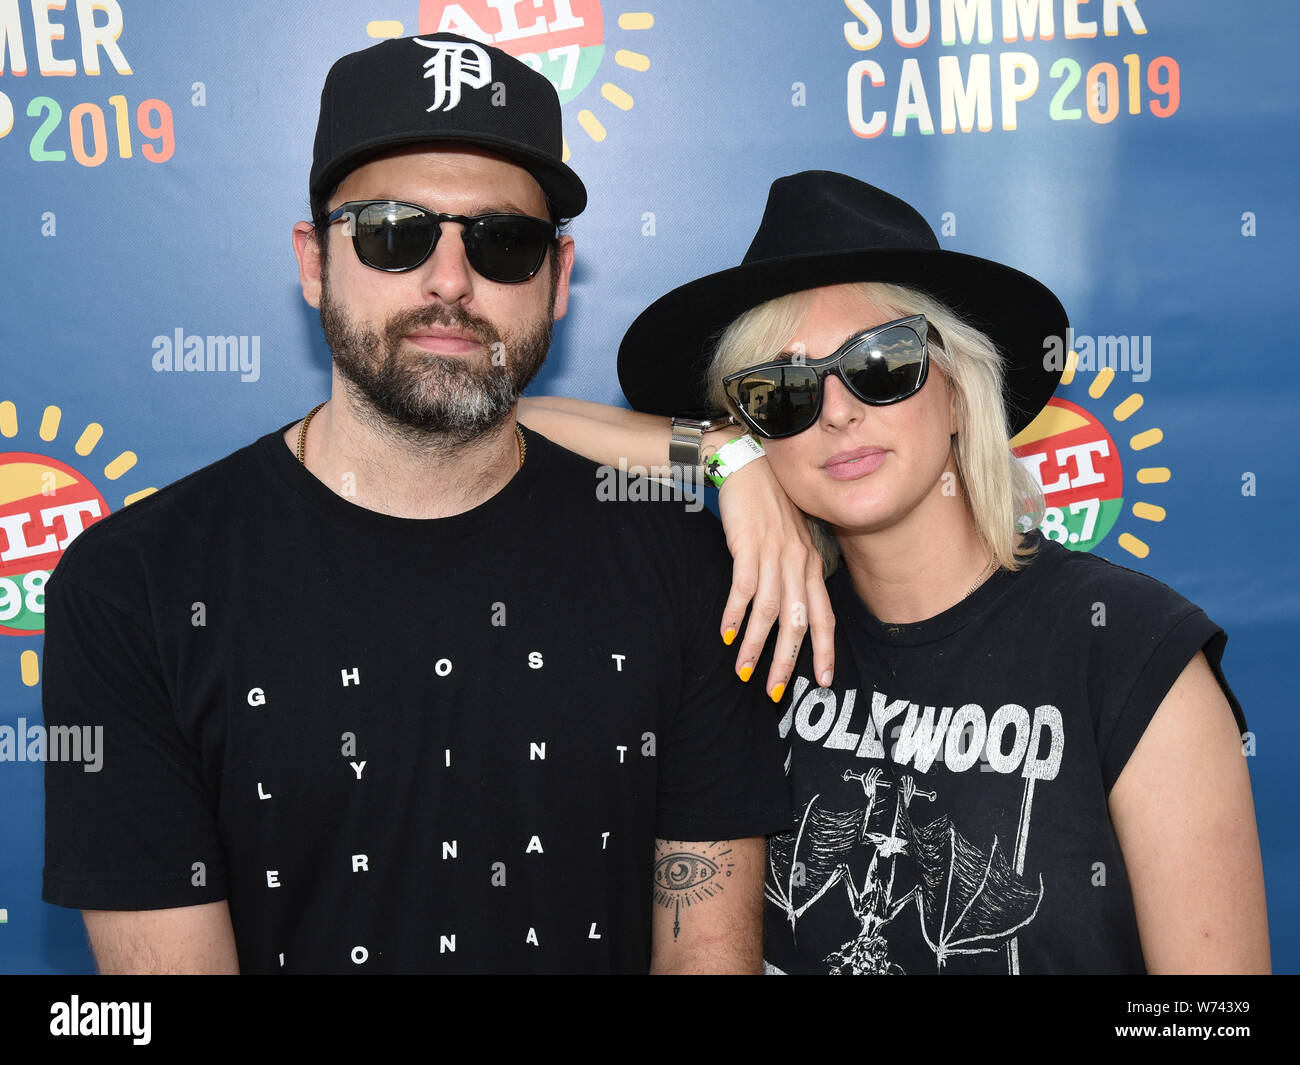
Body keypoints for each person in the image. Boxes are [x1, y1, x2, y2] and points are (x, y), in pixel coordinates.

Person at [39, 33, 792, 975]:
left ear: (559, 278)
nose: (449, 281)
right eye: (394, 232)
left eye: (503, 241)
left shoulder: (686, 562)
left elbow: (706, 955)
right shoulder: (133, 588)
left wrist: (725, 452)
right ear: (314, 262)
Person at [528, 171, 1271, 973]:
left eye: (881, 363)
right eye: (783, 393)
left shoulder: (1127, 649)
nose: (838, 410)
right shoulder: (753, 631)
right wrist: (718, 453)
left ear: (959, 391)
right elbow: (501, 426)